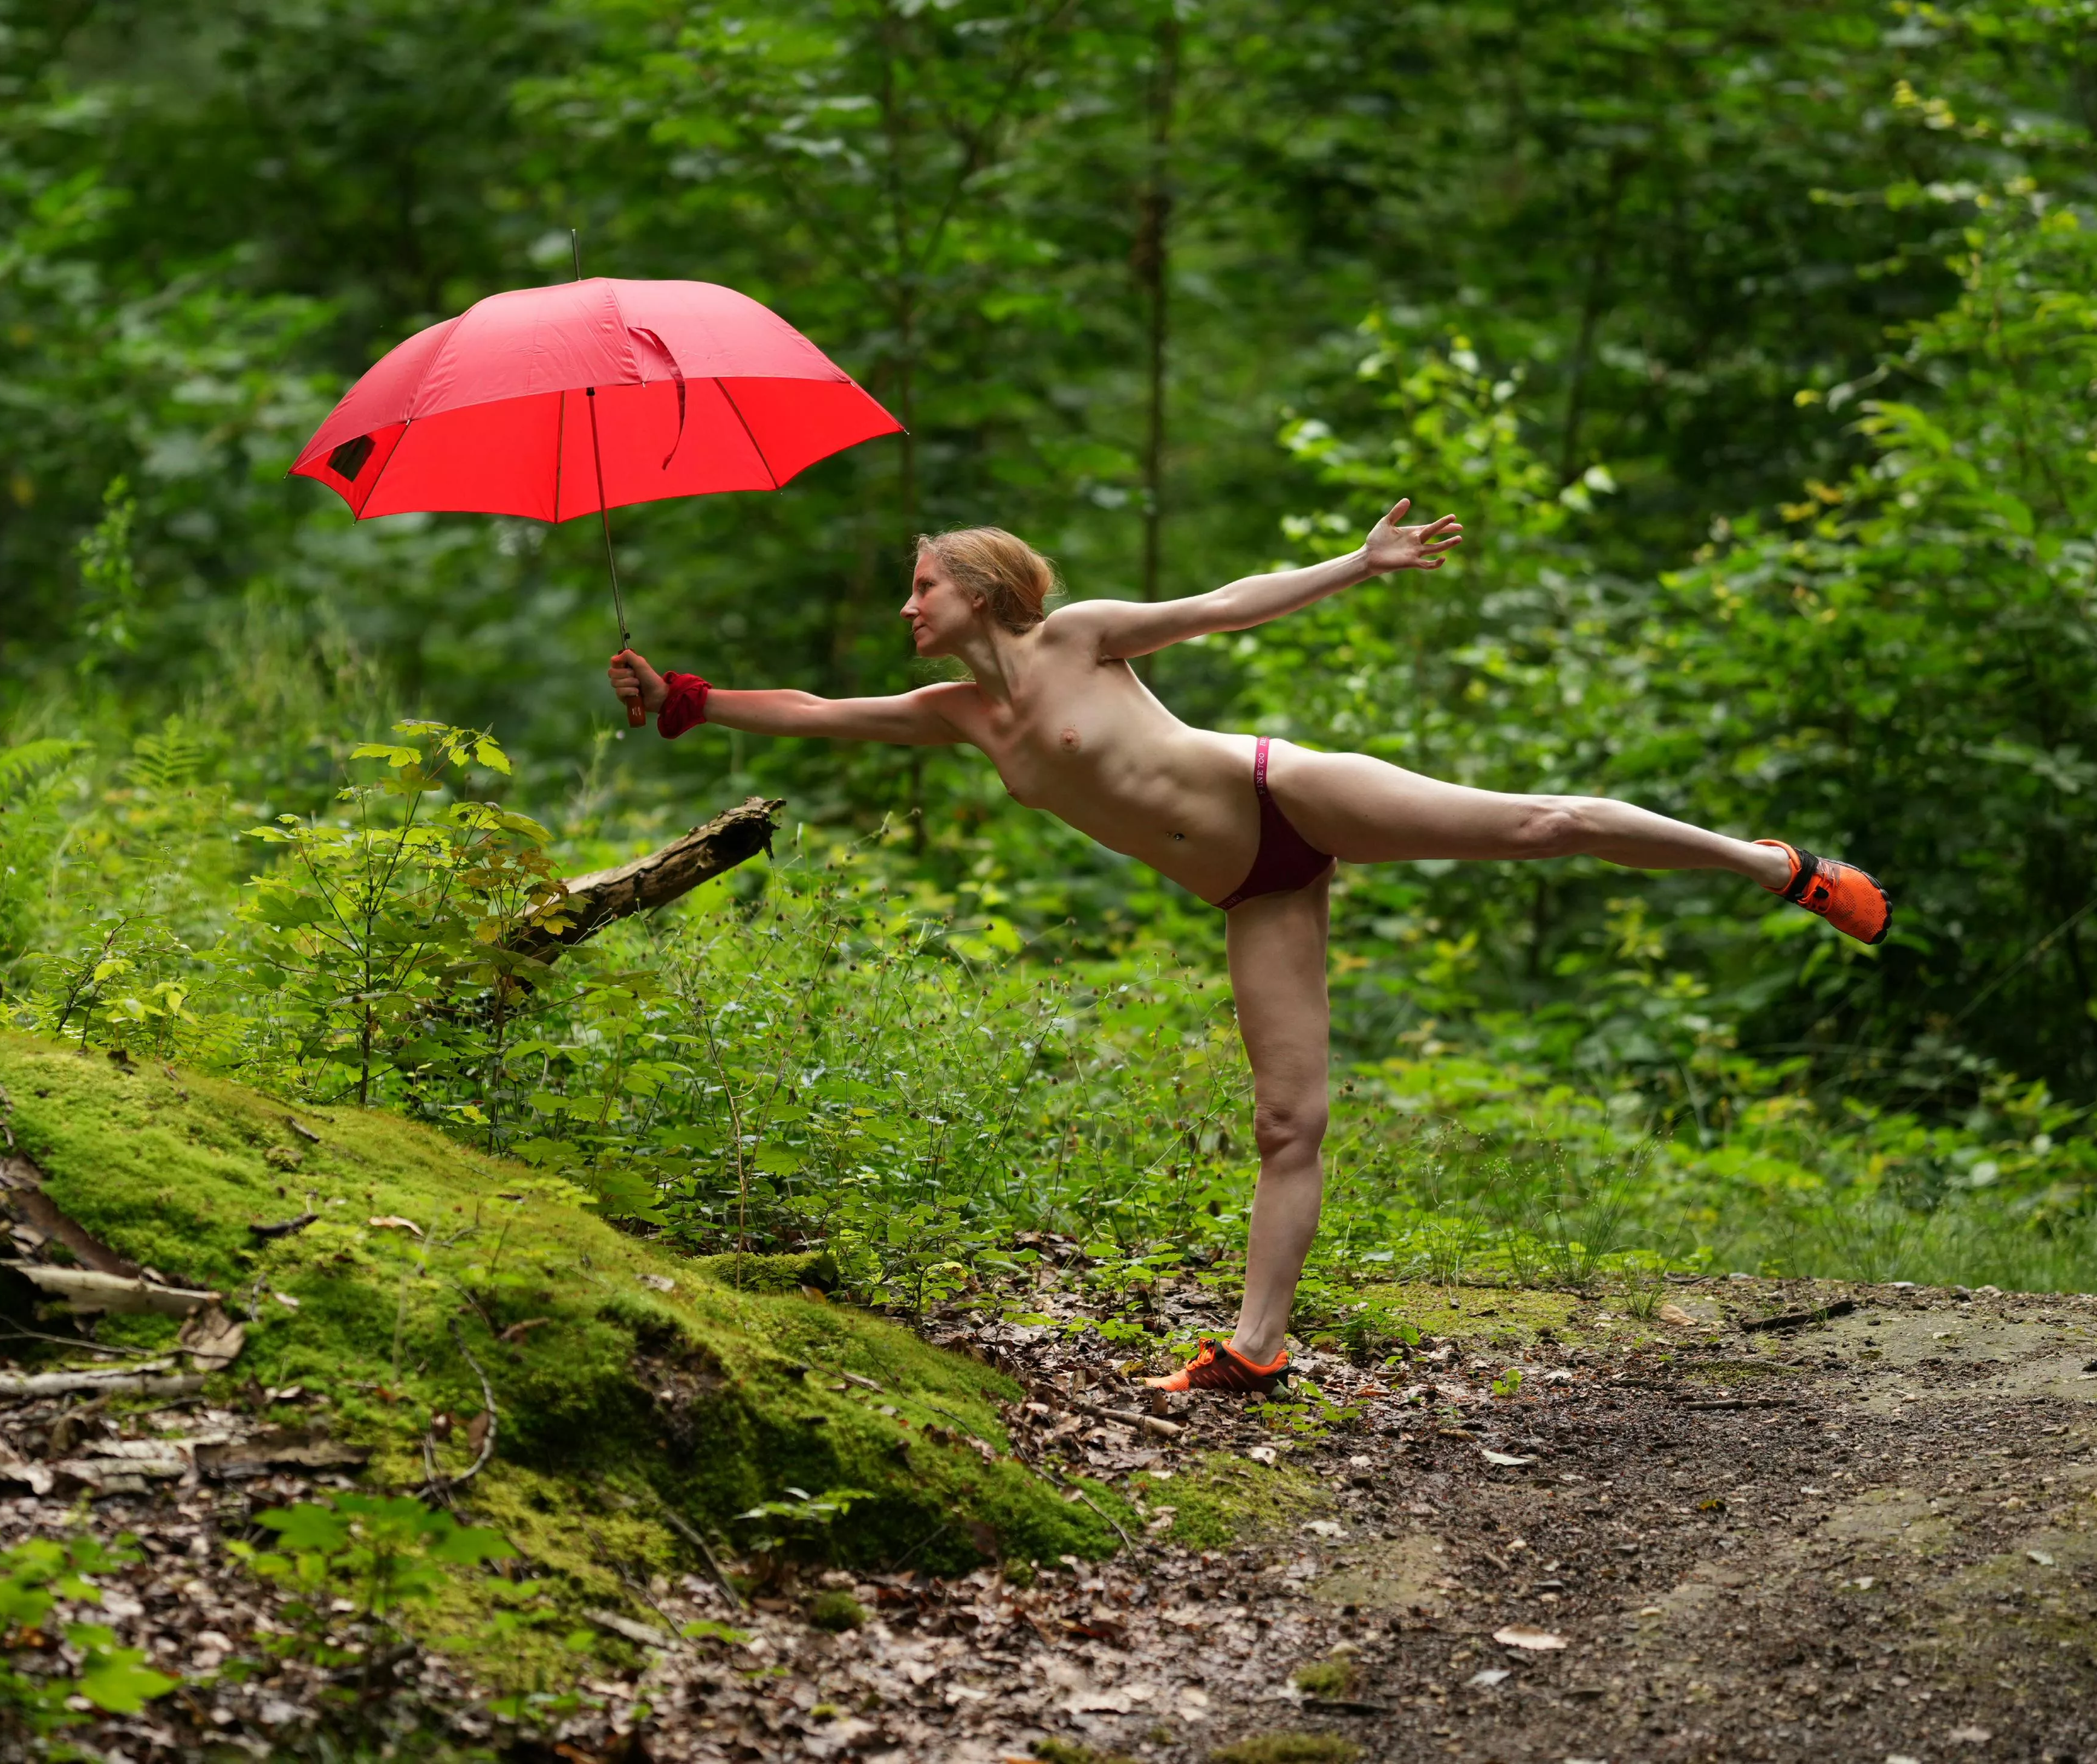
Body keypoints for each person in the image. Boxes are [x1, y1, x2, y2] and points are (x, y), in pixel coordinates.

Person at [606, 503, 1890, 1394]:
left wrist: (1357, 562)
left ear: (982, 590)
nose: (907, 606)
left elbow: (1221, 606)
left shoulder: (1080, 634)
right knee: (1290, 1122)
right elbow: (822, 712)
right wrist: (687, 701)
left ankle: (1781, 867)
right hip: (1254, 891)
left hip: (1288, 797)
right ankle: (1256, 1348)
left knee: (1539, 824)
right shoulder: (962, 716)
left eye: (921, 585)